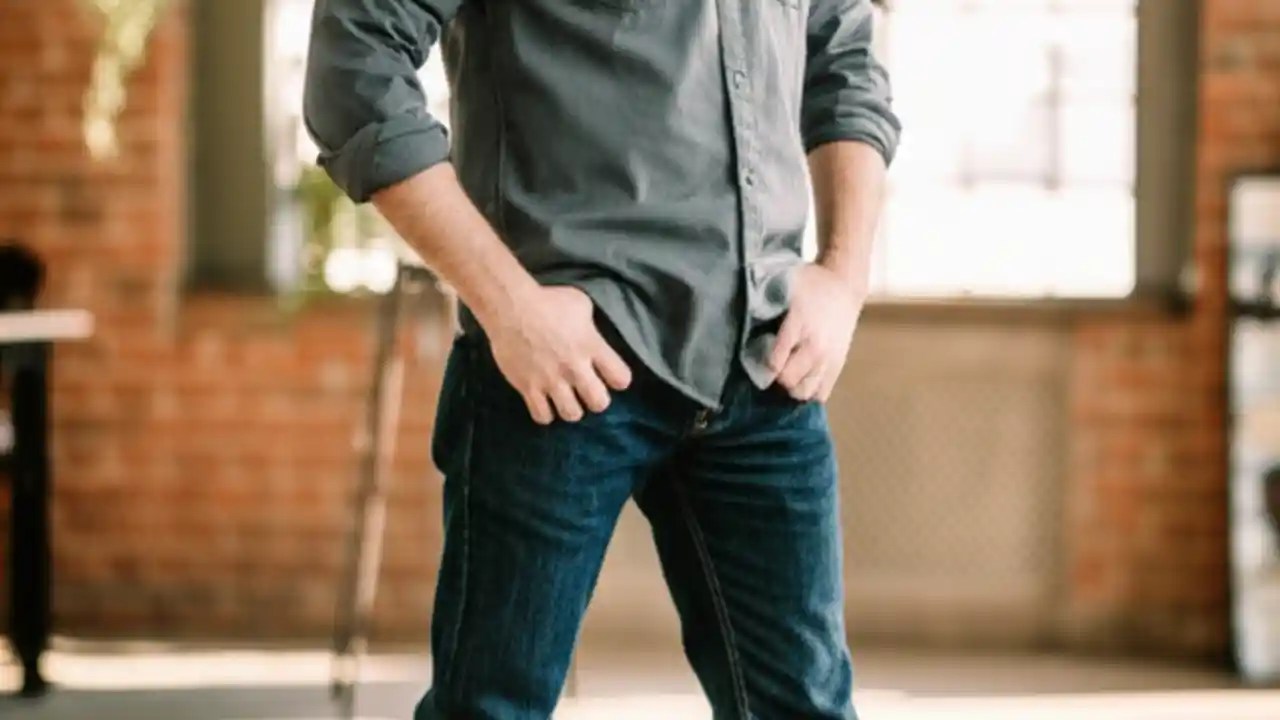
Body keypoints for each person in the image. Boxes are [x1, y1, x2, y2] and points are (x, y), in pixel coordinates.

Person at [305, 0, 899, 716]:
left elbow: (844, 59)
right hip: (563, 373)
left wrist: (844, 278)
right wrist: (510, 308)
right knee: (492, 710)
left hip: (763, 365)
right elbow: (355, 65)